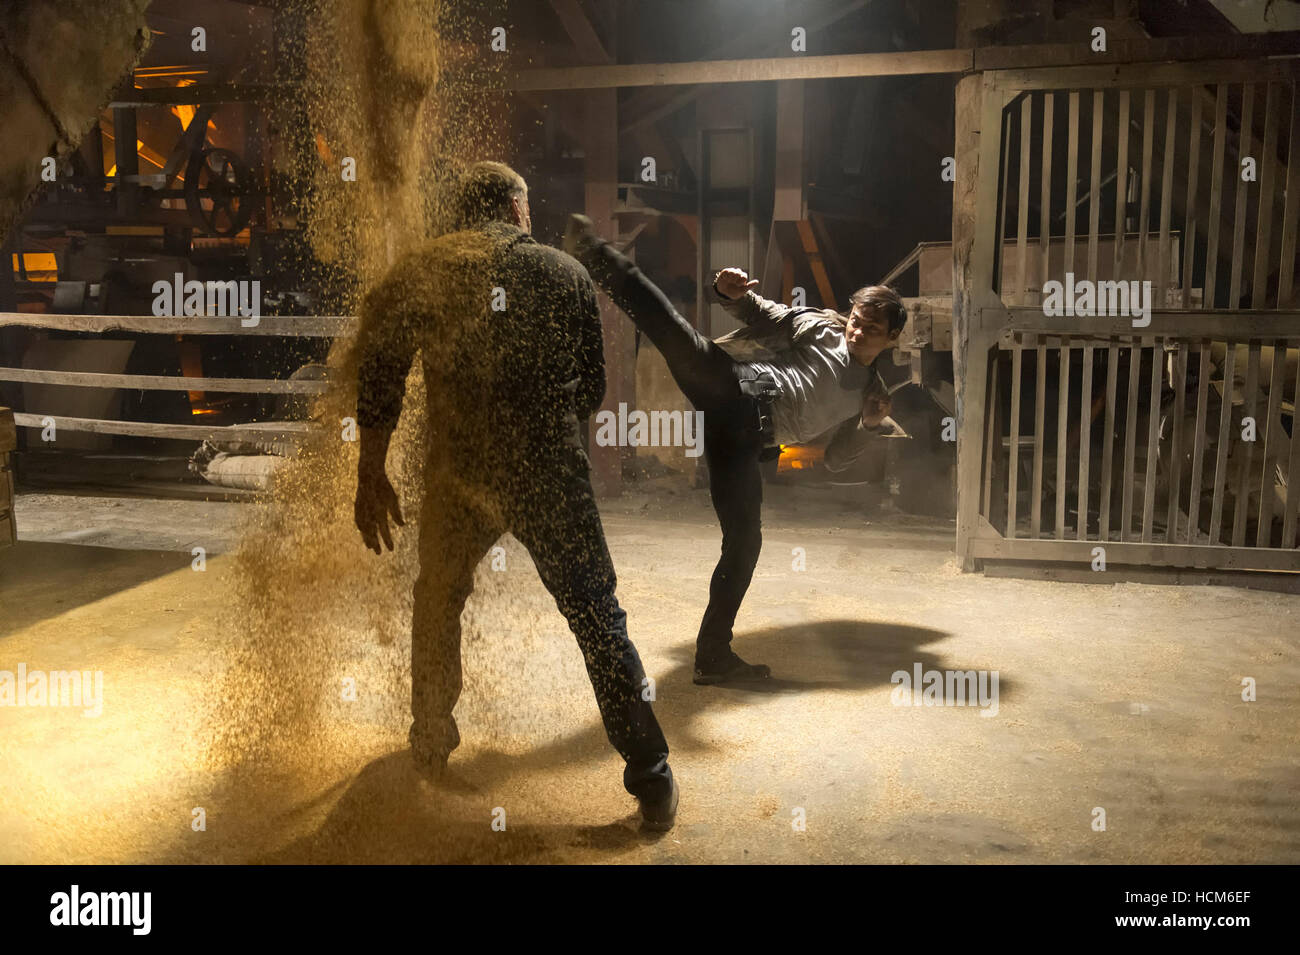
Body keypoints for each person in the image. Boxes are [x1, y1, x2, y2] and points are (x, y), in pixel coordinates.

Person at [351, 162, 677, 830]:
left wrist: (370, 471)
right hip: (545, 467)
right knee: (595, 612)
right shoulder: (564, 273)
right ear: (516, 207)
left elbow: (381, 368)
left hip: (456, 469)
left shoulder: (425, 271)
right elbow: (590, 384)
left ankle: (432, 748)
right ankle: (652, 780)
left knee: (437, 600)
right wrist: (552, 442)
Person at [563, 213, 906, 685]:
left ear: (891, 340)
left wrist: (869, 426)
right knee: (668, 327)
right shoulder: (821, 328)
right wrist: (731, 294)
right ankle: (592, 250)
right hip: (731, 387)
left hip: (745, 442)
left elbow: (835, 461)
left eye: (869, 330)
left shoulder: (872, 396)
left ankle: (713, 654)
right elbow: (763, 313)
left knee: (745, 542)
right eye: (856, 321)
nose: (856, 332)